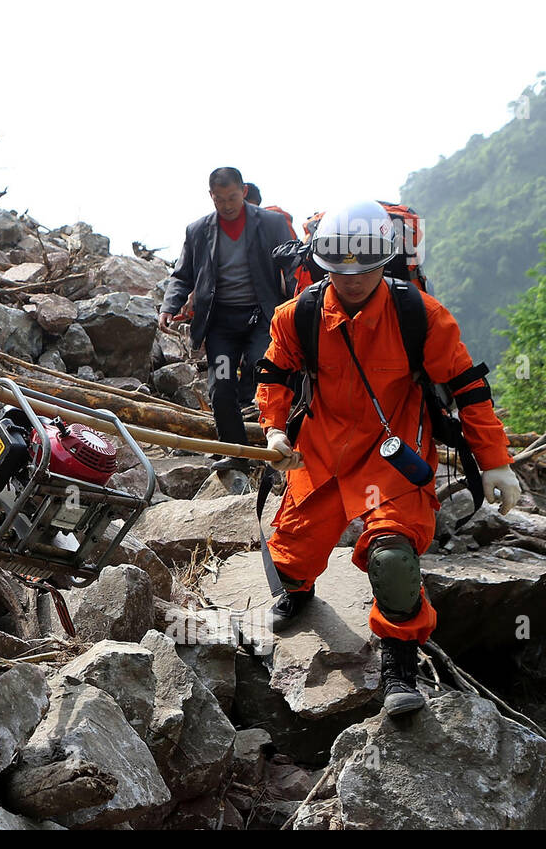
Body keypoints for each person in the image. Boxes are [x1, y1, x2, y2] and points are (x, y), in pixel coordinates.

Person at [254, 200, 520, 715]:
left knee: (394, 559)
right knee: (289, 561)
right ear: (320, 264)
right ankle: (298, 588)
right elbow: (273, 374)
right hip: (322, 452)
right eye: (339, 269)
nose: (352, 279)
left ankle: (401, 666)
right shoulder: (299, 316)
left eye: (366, 267)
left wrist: (495, 460)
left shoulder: (420, 315)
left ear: (387, 261)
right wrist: (271, 431)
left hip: (393, 455)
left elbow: (467, 387)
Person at [160, 167, 294, 470]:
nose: (227, 205)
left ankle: (278, 438)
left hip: (262, 317)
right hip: (221, 324)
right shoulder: (198, 231)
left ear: (244, 191)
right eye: (220, 199)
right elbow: (183, 276)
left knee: (263, 369)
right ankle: (236, 454)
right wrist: (169, 306)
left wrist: (298, 297)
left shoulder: (271, 223)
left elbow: (292, 264)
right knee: (221, 385)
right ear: (211, 197)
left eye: (232, 197)